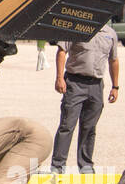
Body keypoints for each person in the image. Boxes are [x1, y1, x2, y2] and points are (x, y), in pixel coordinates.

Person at [51, 22, 120, 173]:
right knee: (67, 125)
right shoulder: (77, 28)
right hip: (75, 82)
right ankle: (58, 165)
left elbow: (113, 60)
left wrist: (115, 86)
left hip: (96, 85)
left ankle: (86, 165)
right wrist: (59, 78)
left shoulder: (110, 34)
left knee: (89, 127)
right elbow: (62, 51)